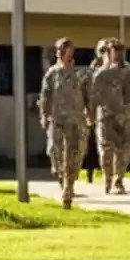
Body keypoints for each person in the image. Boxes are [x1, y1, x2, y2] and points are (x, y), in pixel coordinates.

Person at [38, 37, 92, 209]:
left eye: (64, 49)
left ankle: (68, 189)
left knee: (74, 157)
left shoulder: (80, 74)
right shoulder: (52, 74)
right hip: (57, 121)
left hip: (76, 122)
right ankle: (63, 183)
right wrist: (44, 116)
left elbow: (88, 97)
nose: (60, 52)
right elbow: (45, 96)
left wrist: (89, 114)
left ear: (71, 51)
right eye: (58, 49)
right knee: (55, 153)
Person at [87, 38, 130, 195]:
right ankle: (108, 178)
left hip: (123, 116)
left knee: (125, 148)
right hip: (105, 116)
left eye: (120, 51)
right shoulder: (100, 72)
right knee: (106, 149)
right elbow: (93, 97)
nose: (118, 55)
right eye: (115, 51)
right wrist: (91, 115)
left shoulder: (127, 70)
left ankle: (118, 179)